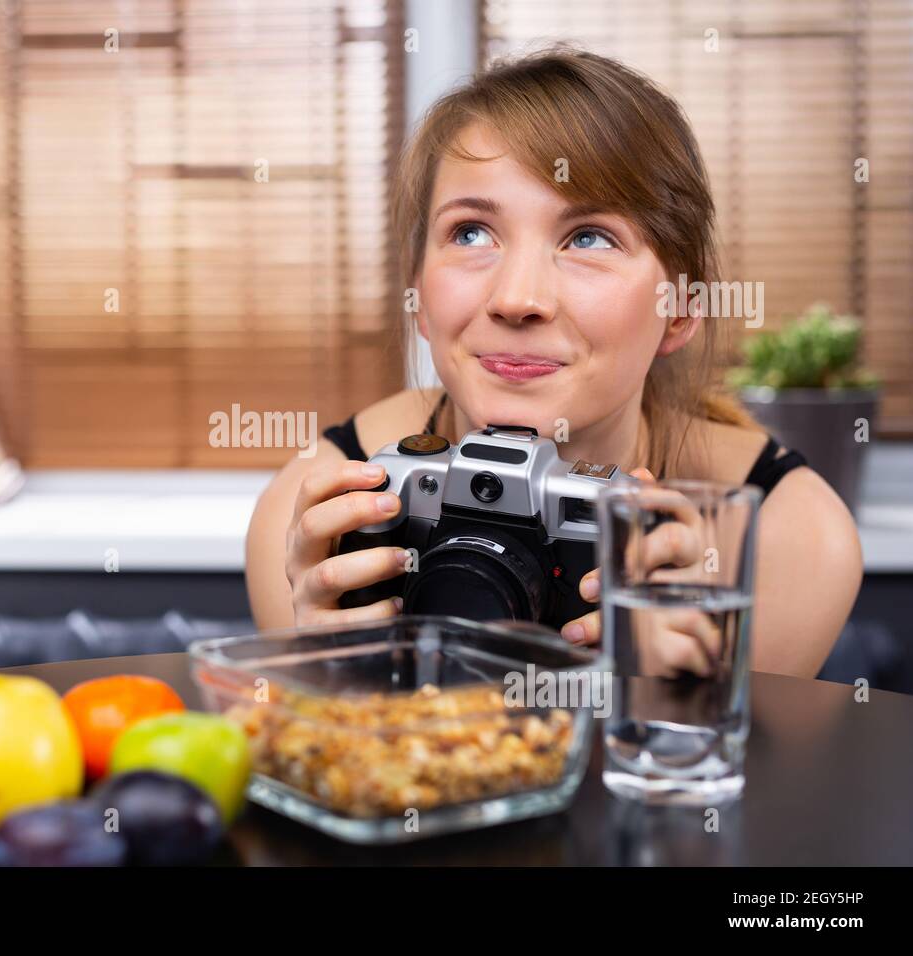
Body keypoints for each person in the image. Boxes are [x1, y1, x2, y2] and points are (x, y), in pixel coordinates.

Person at [244, 48, 861, 680]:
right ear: (420, 296)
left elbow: (730, 778)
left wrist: (669, 700)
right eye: (471, 233)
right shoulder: (321, 515)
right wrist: (330, 682)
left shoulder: (790, 538)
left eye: (588, 238)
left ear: (681, 308)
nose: (517, 299)